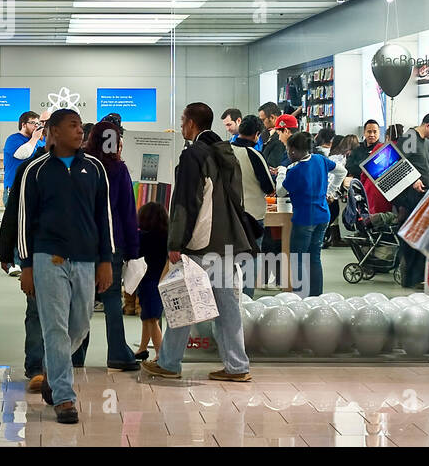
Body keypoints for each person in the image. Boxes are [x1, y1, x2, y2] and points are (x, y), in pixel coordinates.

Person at [142, 102, 253, 383]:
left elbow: (185, 203)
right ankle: (237, 366)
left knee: (181, 300)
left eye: (183, 121)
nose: (181, 126)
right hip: (228, 238)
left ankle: (168, 362)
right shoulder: (226, 152)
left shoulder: (194, 155)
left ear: (191, 123)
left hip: (201, 241)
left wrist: (175, 241)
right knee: (227, 306)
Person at [15, 108, 112, 424]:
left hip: (85, 259)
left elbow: (103, 218)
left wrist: (106, 261)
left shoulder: (95, 169)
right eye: (72, 126)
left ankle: (52, 367)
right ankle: (64, 397)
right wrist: (26, 265)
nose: (80, 131)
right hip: (47, 258)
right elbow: (24, 220)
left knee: (81, 326)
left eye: (80, 126)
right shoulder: (36, 170)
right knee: (54, 327)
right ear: (53, 132)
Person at [83, 120, 141, 372]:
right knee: (112, 302)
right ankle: (118, 353)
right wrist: (133, 250)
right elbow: (128, 212)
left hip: (83, 243)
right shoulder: (118, 169)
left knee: (81, 302)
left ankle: (75, 355)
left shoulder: (81, 166)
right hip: (113, 242)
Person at [280, 131, 338, 297]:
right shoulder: (320, 160)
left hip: (304, 219)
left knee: (298, 259)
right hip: (323, 216)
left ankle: (299, 297)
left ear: (293, 150)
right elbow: (340, 170)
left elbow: (280, 191)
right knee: (314, 258)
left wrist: (283, 172)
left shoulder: (294, 171)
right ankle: (316, 296)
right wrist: (332, 191)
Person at [229, 116, 273, 295]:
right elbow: (269, 187)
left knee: (228, 258)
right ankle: (246, 298)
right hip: (253, 215)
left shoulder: (224, 150)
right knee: (250, 258)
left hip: (228, 214)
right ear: (257, 135)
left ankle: (228, 300)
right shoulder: (255, 155)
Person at [133, 201, 168, 364]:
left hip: (147, 281)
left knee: (151, 319)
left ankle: (161, 354)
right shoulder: (167, 237)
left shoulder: (142, 237)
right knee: (148, 316)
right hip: (162, 280)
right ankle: (142, 348)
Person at [398, 112, 429, 191]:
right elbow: (397, 164)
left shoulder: (425, 142)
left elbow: (428, 169)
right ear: (428, 126)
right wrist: (413, 180)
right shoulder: (410, 137)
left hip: (422, 192)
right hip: (410, 194)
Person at [2, 111, 44, 193]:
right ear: (23, 125)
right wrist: (35, 138)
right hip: (16, 189)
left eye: (37, 123)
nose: (36, 126)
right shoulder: (13, 139)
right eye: (33, 123)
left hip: (33, 188)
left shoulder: (38, 142)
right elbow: (23, 154)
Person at [258, 104, 287, 176]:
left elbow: (272, 165)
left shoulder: (279, 138)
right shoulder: (268, 134)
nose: (261, 123)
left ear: (272, 117)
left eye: (263, 120)